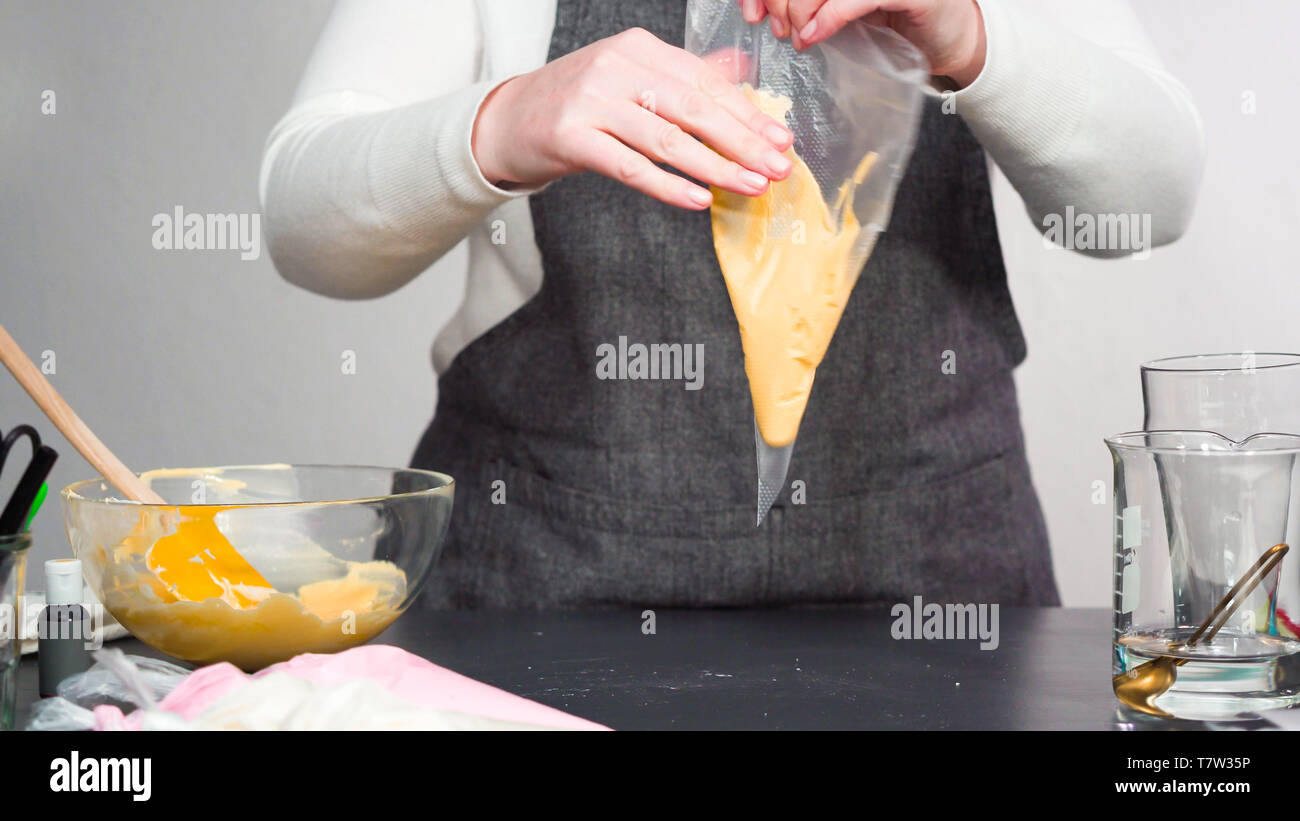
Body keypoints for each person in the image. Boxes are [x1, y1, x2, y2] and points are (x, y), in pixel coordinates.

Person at [260, 0, 1204, 608]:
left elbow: (1146, 203)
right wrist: (502, 121)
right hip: (542, 593)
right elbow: (304, 223)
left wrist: (972, 35)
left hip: (935, 595)